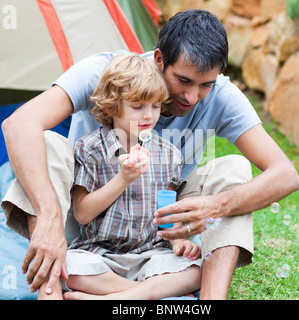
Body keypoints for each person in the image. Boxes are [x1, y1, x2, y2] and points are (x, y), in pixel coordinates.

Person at [1, 9, 299, 300]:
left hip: (158, 220)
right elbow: (19, 124)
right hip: (87, 218)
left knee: (233, 167)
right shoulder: (106, 73)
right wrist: (51, 217)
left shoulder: (222, 95)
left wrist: (215, 206)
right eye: (183, 80)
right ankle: (50, 291)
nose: (192, 97)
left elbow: (285, 175)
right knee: (49, 144)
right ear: (159, 59)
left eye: (206, 84)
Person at [61, 53, 201, 300]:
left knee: (198, 270)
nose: (149, 115)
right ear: (112, 106)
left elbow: (166, 214)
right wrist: (122, 179)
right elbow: (82, 213)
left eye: (156, 106)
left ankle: (110, 298)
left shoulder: (169, 155)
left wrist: (178, 241)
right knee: (67, 267)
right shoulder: (90, 149)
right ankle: (145, 293)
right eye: (138, 106)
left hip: (149, 255)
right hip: (100, 257)